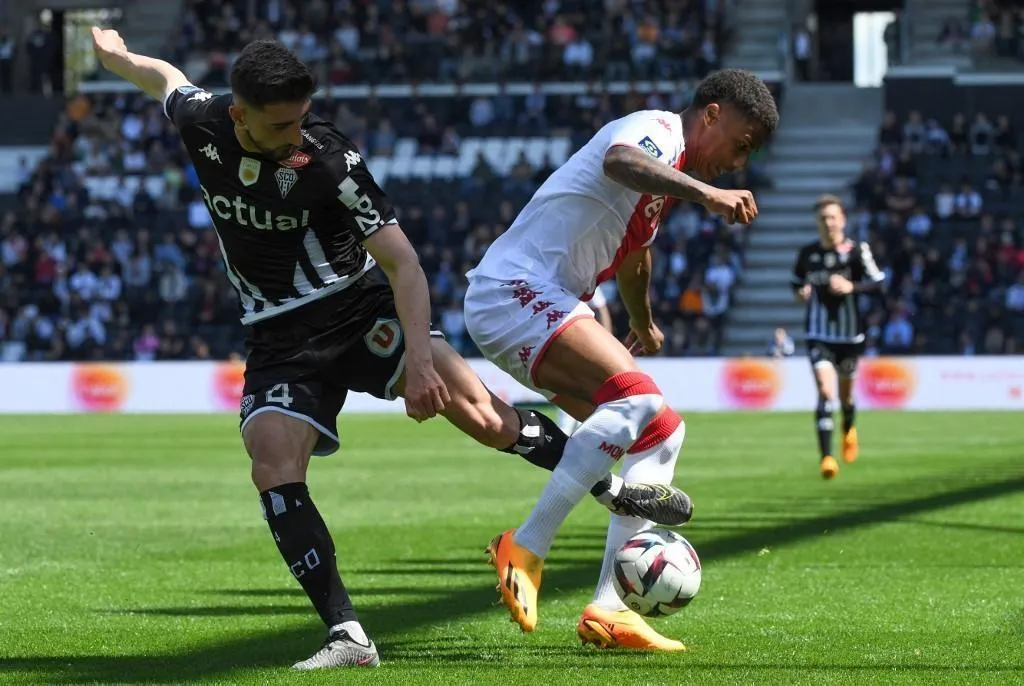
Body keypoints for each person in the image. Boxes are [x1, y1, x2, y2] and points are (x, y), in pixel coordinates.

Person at [89, 29, 693, 669]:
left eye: (302, 118)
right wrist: (117, 58)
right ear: (238, 114)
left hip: (358, 308)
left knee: (489, 420)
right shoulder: (202, 120)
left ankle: (611, 491)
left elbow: (404, 265)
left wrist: (422, 362)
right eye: (282, 124)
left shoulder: (328, 158)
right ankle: (347, 636)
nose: (297, 134)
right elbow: (164, 77)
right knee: (270, 462)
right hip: (278, 334)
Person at [464, 68, 779, 649]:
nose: (740, 163)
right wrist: (709, 195)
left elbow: (633, 258)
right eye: (742, 143)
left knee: (660, 432)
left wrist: (642, 322)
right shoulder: (655, 129)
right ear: (712, 113)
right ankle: (526, 545)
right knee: (638, 400)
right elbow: (618, 162)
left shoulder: (664, 181)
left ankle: (608, 609)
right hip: (513, 288)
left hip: (533, 302)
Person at [790, 194, 885, 480]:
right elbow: (796, 284)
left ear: (842, 220)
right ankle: (827, 458)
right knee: (825, 391)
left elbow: (878, 283)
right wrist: (802, 293)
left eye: (832, 217)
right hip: (818, 334)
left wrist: (851, 287)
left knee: (846, 397)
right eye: (822, 218)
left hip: (849, 337)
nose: (828, 222)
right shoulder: (808, 254)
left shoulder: (857, 251)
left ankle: (848, 428)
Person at [555, 284, 613, 436]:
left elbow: (601, 308)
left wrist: (606, 340)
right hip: (564, 340)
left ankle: (574, 433)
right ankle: (571, 433)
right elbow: (602, 308)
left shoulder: (585, 281)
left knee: (578, 387)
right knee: (571, 387)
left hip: (582, 340)